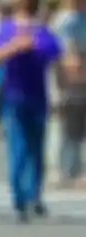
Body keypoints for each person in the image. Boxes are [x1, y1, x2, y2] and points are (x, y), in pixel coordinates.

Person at [0, 0, 61, 221]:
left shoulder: (42, 31)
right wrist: (15, 46)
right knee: (20, 147)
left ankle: (33, 196)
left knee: (35, 148)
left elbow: (55, 54)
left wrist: (34, 45)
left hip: (35, 96)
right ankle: (22, 198)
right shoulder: (7, 30)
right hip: (16, 95)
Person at [52, 0, 86, 187]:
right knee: (69, 129)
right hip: (70, 87)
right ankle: (65, 170)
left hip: (77, 85)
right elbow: (70, 61)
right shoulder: (67, 21)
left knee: (77, 130)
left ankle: (74, 170)